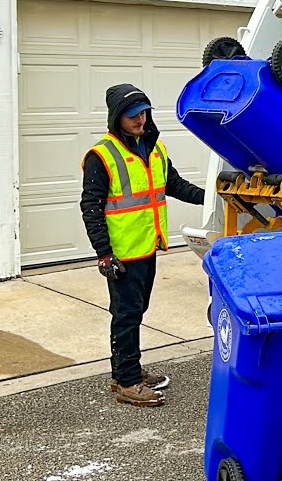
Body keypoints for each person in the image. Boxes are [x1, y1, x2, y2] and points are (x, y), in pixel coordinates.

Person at [80, 84, 205, 407]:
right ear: (117, 117)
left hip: (147, 246)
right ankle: (126, 380)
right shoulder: (102, 156)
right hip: (122, 252)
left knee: (136, 311)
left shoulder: (153, 147)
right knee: (126, 313)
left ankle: (128, 367)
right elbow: (90, 206)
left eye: (144, 112)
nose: (140, 119)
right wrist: (104, 254)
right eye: (133, 115)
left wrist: (210, 199)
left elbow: (173, 184)